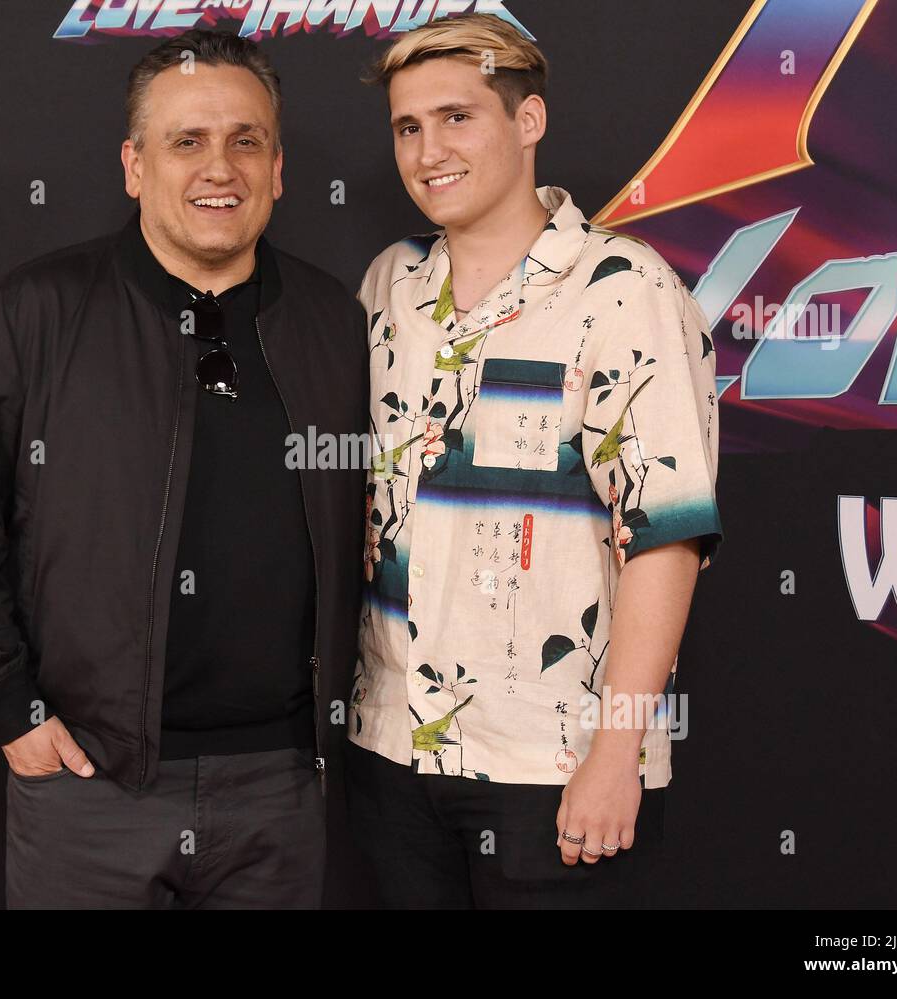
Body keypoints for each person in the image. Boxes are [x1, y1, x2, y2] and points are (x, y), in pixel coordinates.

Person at [0, 28, 367, 908]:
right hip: (92, 785)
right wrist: (14, 713)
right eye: (187, 141)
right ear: (134, 166)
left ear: (278, 168)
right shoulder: (37, 310)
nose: (221, 168)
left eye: (247, 141)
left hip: (279, 792)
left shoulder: (334, 321)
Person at [345, 12, 724, 908]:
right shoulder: (387, 286)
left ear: (528, 122)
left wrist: (616, 752)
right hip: (392, 752)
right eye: (408, 126)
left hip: (554, 767)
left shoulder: (624, 287)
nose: (428, 150)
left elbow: (665, 538)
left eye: (457, 117)